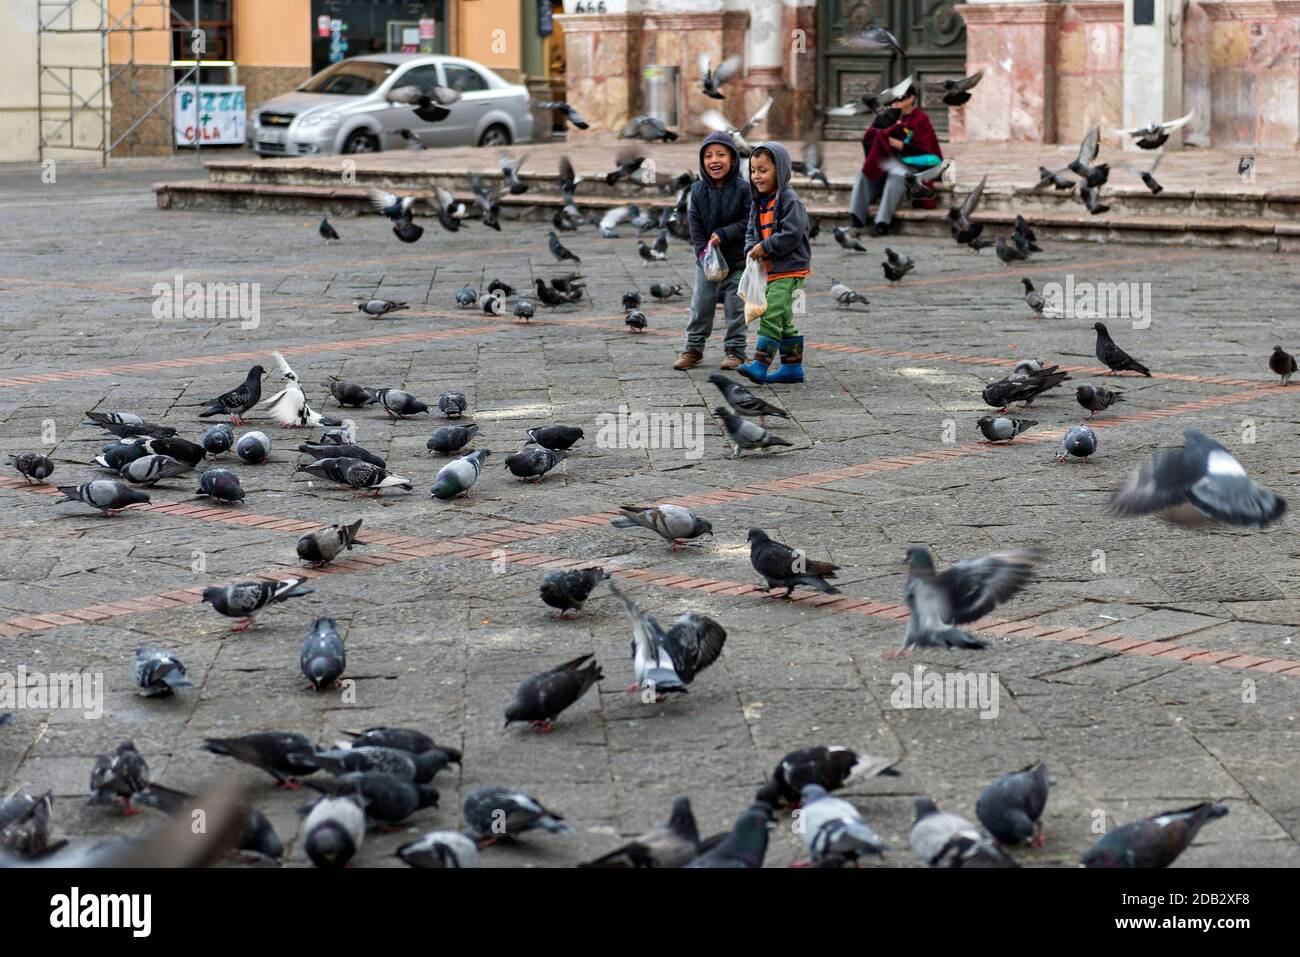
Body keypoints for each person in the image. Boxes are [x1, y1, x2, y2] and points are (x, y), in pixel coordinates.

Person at [736, 142, 812, 385]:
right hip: (770, 268)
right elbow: (751, 229)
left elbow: (792, 233)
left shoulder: (790, 201)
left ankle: (760, 364)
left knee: (771, 313)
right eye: (753, 170)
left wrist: (765, 247)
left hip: (790, 268)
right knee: (783, 318)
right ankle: (792, 368)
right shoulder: (758, 201)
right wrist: (750, 248)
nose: (756, 176)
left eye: (763, 170)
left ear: (780, 171)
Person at [678, 131, 752, 370]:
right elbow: (695, 224)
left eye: (721, 154)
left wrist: (724, 233)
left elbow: (749, 221)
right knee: (701, 305)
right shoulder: (697, 190)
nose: (714, 160)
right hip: (707, 263)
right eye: (708, 156)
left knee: (735, 308)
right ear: (702, 162)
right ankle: (693, 349)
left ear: (732, 159)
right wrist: (703, 253)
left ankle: (735, 351)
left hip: (738, 262)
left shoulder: (744, 189)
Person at [850, 83, 943, 237]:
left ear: (912, 98)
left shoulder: (920, 118)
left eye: (901, 98)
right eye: (894, 99)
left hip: (911, 163)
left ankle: (882, 222)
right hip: (887, 159)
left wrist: (901, 146)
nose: (897, 102)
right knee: (864, 172)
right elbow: (869, 138)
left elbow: (926, 149)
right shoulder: (888, 115)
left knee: (896, 174)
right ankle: (857, 217)